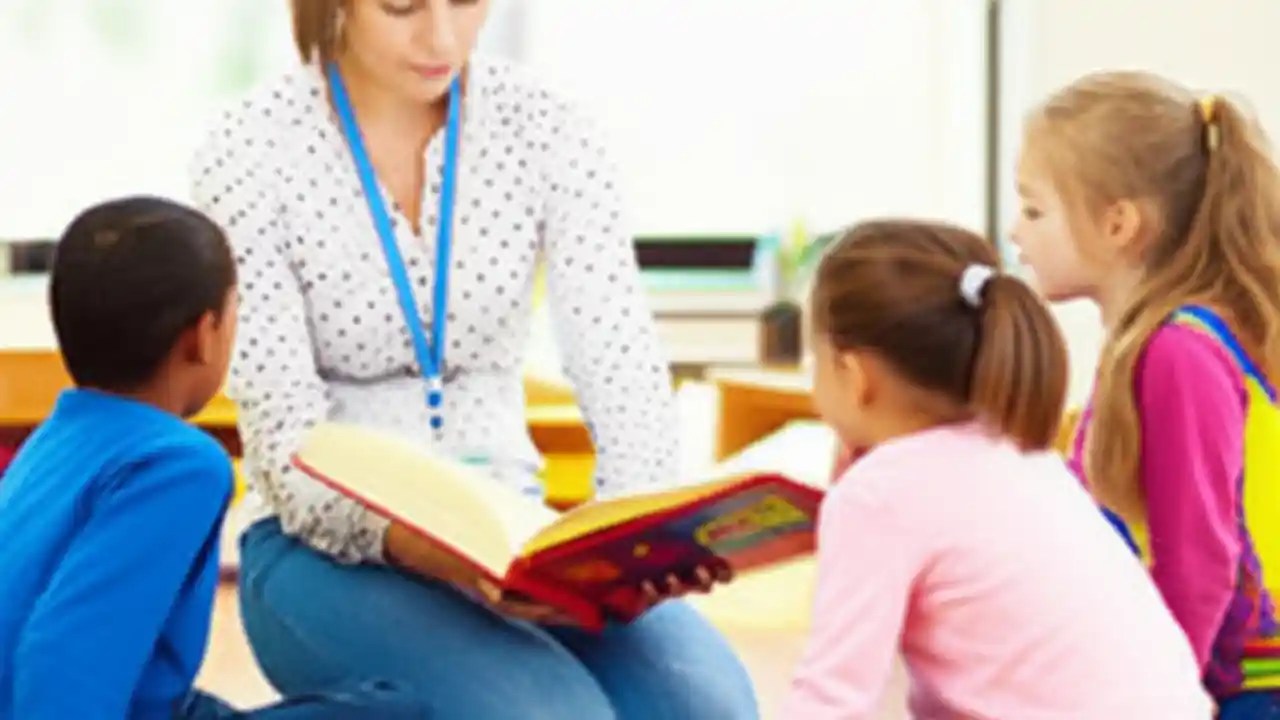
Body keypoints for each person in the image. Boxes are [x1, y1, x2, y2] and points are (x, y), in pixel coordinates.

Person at [189, 1, 756, 717]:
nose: (443, 38)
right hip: (323, 548)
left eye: (466, 1)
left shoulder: (545, 125)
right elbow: (285, 448)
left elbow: (621, 361)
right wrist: (450, 557)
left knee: (708, 708)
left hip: (518, 536)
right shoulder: (249, 149)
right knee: (552, 714)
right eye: (402, 7)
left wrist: (636, 543)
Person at [0, 197, 425, 719]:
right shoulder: (177, 465)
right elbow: (61, 663)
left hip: (131, 699)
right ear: (202, 336)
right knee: (399, 713)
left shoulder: (55, 439)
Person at [783, 220, 1212, 719]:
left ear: (854, 376)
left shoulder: (879, 495)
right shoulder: (1023, 458)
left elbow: (833, 700)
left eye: (815, 357)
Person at [1013, 71, 1280, 716]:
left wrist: (1155, 696)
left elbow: (1198, 558)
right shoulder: (1152, 342)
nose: (1016, 233)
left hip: (1241, 690)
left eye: (1033, 210)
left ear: (1118, 225)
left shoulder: (1178, 352)